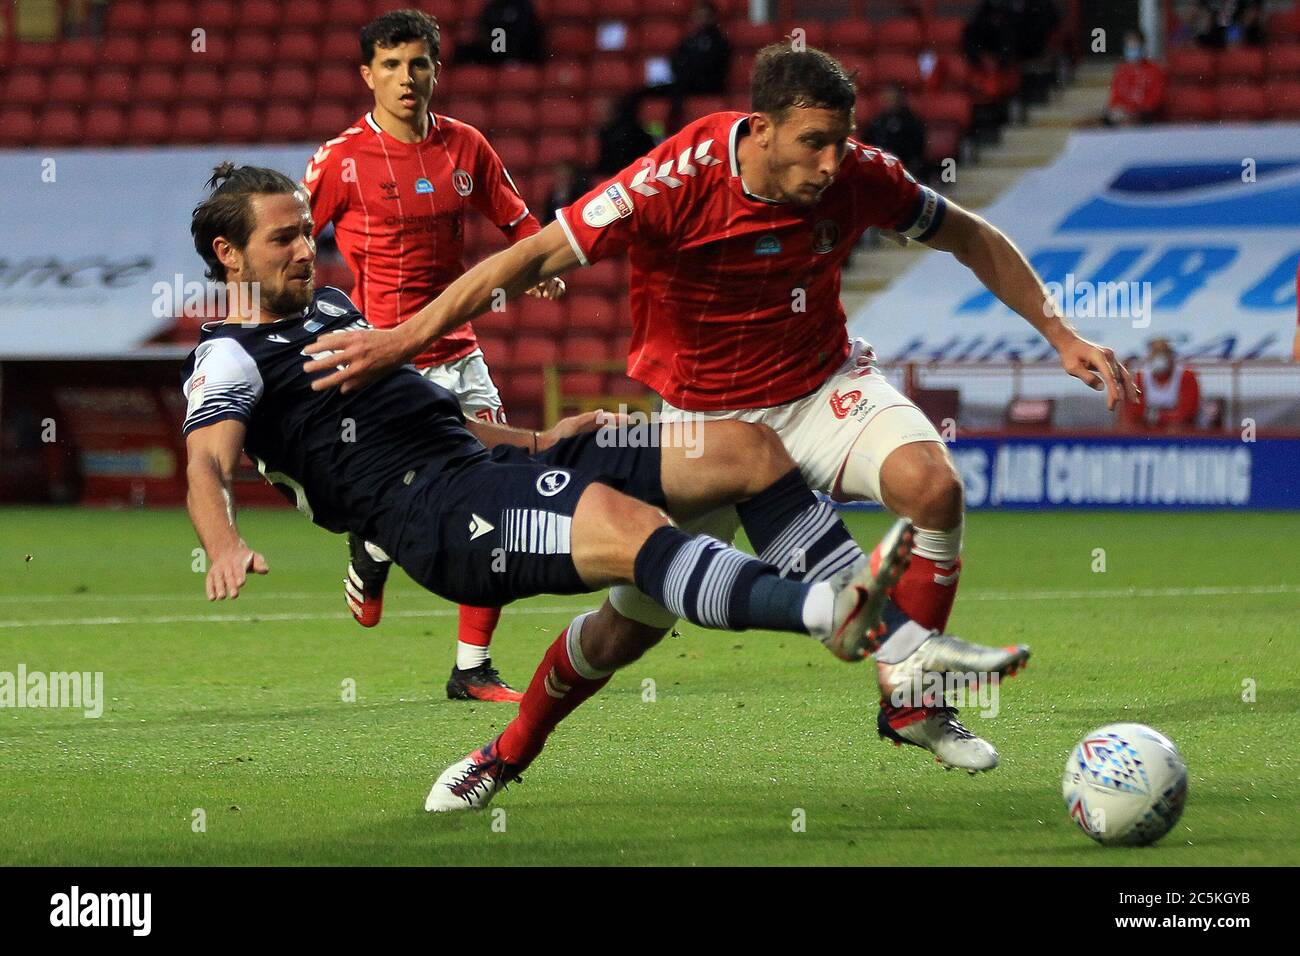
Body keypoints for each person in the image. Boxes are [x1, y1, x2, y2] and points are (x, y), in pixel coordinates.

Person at [301, 45, 1110, 774]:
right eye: (813, 144)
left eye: (839, 142)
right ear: (760, 130)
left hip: (824, 389)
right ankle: (506, 752)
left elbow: (967, 233)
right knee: (628, 628)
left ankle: (912, 703)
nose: (831, 163)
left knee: (934, 488)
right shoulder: (673, 180)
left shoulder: (861, 173)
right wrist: (400, 340)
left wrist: (1058, 332)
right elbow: (534, 254)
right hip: (702, 427)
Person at [182, 163, 1029, 810]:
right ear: (228, 255)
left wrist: (538, 438)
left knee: (742, 448)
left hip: (492, 465)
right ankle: (856, 625)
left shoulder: (330, 311)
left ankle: (872, 624)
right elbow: (206, 461)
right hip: (438, 520)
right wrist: (223, 541)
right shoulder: (229, 355)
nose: (305, 249)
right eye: (282, 239)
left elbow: (429, 417)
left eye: (304, 232)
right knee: (631, 531)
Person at [302, 9, 563, 703]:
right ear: (368, 75)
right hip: (387, 362)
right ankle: (374, 543)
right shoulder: (341, 160)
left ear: (436, 70)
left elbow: (517, 220)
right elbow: (295, 243)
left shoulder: (466, 147)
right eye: (391, 65)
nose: (407, 78)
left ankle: (470, 667)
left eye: (419, 63)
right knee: (415, 496)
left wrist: (541, 261)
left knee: (500, 490)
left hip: (459, 349)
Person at [1122, 339, 1200, 432]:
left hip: (1178, 430)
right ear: (1150, 357)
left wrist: (1157, 416)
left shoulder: (1186, 376)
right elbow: (1135, 410)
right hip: (1147, 430)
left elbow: (1188, 411)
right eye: (1156, 354)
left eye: (1163, 354)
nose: (1160, 358)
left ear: (1171, 356)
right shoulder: (1140, 377)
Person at [1103, 29, 1166, 127]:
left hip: (1145, 117)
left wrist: (1135, 112)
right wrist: (1122, 110)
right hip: (1122, 116)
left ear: (1142, 46)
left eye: (1135, 45)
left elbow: (1155, 100)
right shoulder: (1121, 71)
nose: (1132, 48)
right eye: (1129, 45)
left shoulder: (1155, 70)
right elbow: (1115, 97)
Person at [669, 1, 732, 96]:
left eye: (706, 16)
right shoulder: (690, 39)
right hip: (686, 83)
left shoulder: (720, 41)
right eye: (699, 16)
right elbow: (676, 58)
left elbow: (715, 66)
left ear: (713, 17)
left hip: (707, 86)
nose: (702, 20)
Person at [863, 85, 926, 178]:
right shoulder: (878, 122)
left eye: (892, 99)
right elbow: (868, 143)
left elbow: (917, 148)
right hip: (880, 167)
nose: (889, 102)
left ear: (900, 99)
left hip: (904, 168)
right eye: (886, 99)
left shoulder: (911, 121)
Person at [542, 159, 590, 224]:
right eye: (559, 175)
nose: (562, 178)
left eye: (565, 175)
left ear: (571, 177)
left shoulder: (579, 193)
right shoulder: (551, 195)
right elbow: (547, 219)